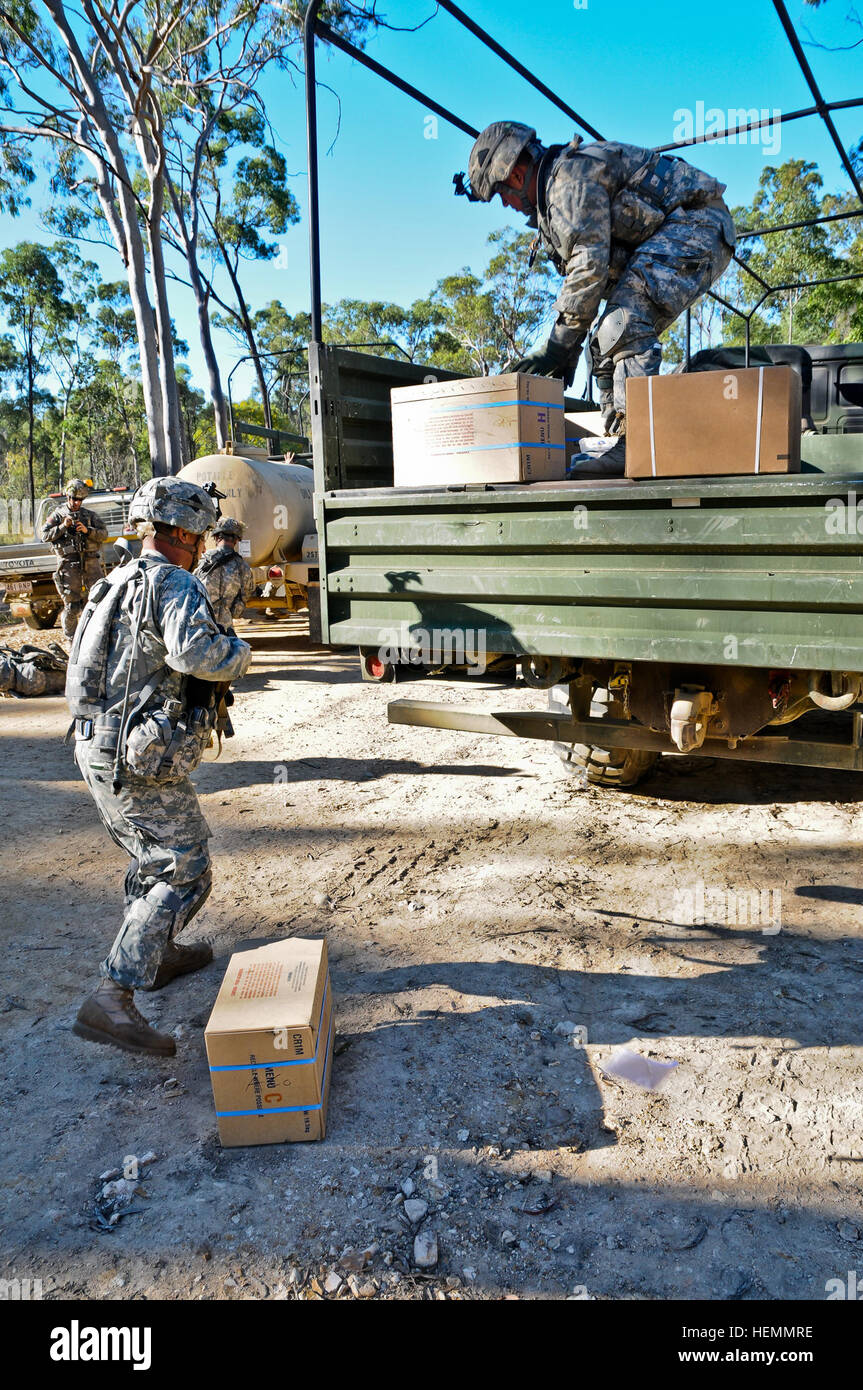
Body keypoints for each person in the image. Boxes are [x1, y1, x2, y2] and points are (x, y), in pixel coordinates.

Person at [67, 476, 252, 1057]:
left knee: (160, 856)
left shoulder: (114, 579)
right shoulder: (173, 582)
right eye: (198, 534)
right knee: (183, 867)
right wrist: (239, 655)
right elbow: (196, 653)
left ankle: (157, 952)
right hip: (134, 757)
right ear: (186, 533)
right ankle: (112, 994)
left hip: (100, 744)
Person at [457, 122, 736, 472]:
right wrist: (567, 355)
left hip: (697, 222)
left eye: (501, 196)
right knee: (602, 342)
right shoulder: (553, 197)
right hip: (672, 230)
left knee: (627, 319)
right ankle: (616, 435)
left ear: (513, 176)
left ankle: (636, 443)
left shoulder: (568, 181)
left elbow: (588, 270)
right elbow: (590, 279)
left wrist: (555, 348)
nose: (508, 205)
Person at [42, 478, 108, 638]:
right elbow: (44, 535)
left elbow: (104, 534)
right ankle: (72, 641)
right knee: (72, 607)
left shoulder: (90, 516)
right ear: (67, 497)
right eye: (73, 499)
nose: (76, 502)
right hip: (68, 566)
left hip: (91, 565)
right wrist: (63, 526)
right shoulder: (57, 515)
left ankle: (96, 638)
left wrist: (87, 531)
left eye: (79, 500)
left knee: (98, 603)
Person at [194, 516, 255, 636]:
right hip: (225, 625)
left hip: (200, 622)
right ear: (236, 540)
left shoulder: (202, 560)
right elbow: (246, 593)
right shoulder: (242, 566)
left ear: (216, 537)